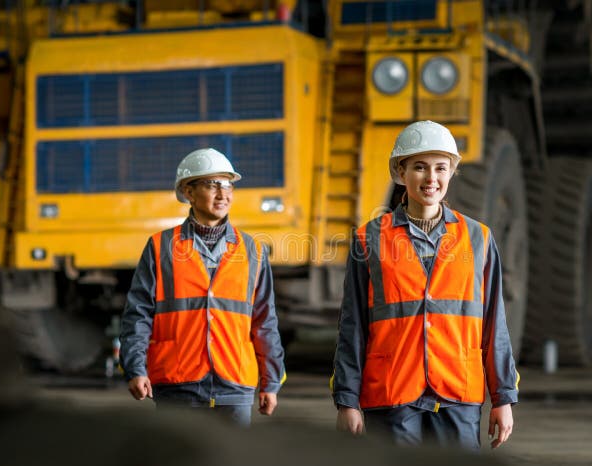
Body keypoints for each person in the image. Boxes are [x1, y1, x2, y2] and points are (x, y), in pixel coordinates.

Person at [331, 121, 519, 450]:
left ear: (451, 173)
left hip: (457, 392)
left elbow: (494, 324)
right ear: (400, 172)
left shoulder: (479, 238)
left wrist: (503, 398)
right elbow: (353, 326)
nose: (431, 179)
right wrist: (347, 400)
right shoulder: (369, 238)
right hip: (392, 392)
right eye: (419, 167)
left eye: (440, 168)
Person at [120, 147, 286, 427]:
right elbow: (138, 315)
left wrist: (271, 381)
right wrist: (135, 368)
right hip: (177, 383)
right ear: (188, 191)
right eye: (212, 185)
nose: (223, 194)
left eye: (228, 185)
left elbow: (264, 320)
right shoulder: (161, 247)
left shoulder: (253, 250)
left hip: (234, 384)